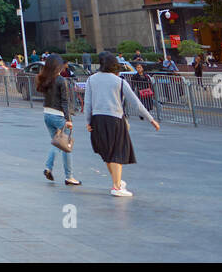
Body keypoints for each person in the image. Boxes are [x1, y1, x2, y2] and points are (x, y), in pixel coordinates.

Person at [84, 51, 159, 196]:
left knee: (106, 152)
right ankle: (117, 187)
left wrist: (88, 121)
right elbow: (136, 103)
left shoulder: (91, 80)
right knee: (116, 153)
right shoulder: (119, 81)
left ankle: (116, 182)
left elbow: (88, 104)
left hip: (97, 119)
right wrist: (151, 119)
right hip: (115, 119)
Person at [37, 54, 79, 186]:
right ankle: (69, 176)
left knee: (56, 143)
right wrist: (69, 119)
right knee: (65, 146)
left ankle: (48, 167)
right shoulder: (61, 80)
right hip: (58, 116)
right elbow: (65, 102)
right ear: (58, 66)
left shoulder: (45, 79)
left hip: (47, 114)